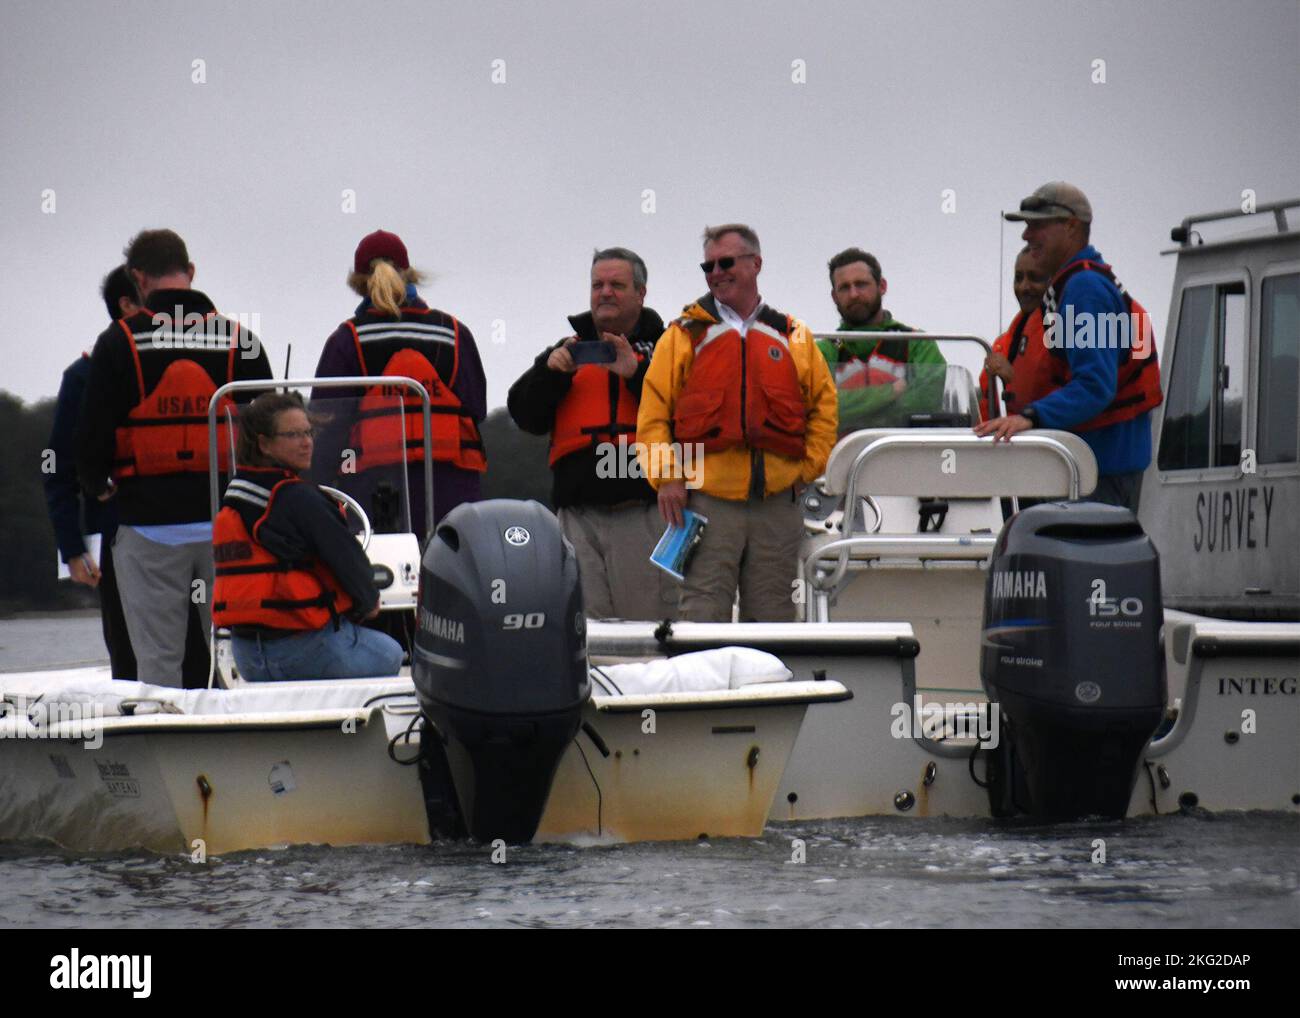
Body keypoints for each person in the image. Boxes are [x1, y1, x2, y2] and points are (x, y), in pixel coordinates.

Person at [76, 230, 273, 686]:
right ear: (191, 271)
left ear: (138, 278)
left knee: (157, 665)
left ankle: (169, 744)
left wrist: (101, 488)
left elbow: (89, 442)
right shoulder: (240, 340)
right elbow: (270, 432)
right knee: (236, 658)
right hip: (229, 527)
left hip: (148, 526)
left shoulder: (119, 342)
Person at [637, 223, 838, 622]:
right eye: (707, 266)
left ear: (756, 263)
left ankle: (768, 685)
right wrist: (668, 478)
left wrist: (805, 469)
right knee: (702, 613)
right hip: (707, 502)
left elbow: (824, 410)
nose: (716, 273)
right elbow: (654, 415)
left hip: (779, 503)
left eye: (725, 262)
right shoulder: (681, 335)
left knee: (773, 617)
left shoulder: (795, 336)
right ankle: (702, 687)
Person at [47, 266, 210, 683]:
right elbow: (60, 467)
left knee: (205, 653)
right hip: (122, 535)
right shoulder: (84, 376)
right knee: (130, 654)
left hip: (200, 535)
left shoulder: (199, 358)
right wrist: (71, 548)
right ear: (128, 305)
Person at [507, 248, 677, 620]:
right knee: (585, 632)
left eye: (617, 284)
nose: (605, 293)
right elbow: (525, 415)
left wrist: (636, 374)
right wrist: (549, 375)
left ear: (641, 293)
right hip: (577, 513)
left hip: (646, 510)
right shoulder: (567, 352)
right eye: (597, 284)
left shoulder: (670, 350)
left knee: (648, 630)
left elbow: (695, 419)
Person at [975, 182, 1162, 511]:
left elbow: (1095, 385)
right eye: (1026, 226)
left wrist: (1031, 417)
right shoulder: (1079, 284)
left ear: (1071, 226)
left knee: (1087, 560)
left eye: (1038, 225)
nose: (1026, 235)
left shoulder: (1085, 288)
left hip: (1095, 475)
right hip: (1088, 470)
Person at [213, 393, 403, 681]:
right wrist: (367, 602)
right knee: (392, 653)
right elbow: (347, 559)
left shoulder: (235, 496)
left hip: (248, 656)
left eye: (308, 432)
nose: (306, 442)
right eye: (292, 435)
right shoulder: (300, 498)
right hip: (304, 653)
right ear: (264, 444)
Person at [312, 230, 486, 539]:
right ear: (410, 273)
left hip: (372, 495)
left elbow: (326, 427)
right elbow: (476, 408)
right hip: (451, 492)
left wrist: (316, 489)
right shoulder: (454, 333)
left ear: (358, 282)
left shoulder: (347, 340)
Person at [815, 248, 947, 435]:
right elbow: (820, 408)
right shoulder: (822, 351)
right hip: (842, 459)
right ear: (834, 297)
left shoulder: (916, 342)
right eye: (844, 287)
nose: (853, 294)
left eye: (861, 284)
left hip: (907, 455)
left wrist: (852, 407)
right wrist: (891, 391)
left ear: (882, 286)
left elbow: (926, 402)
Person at [978, 246, 1051, 421]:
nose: (1024, 287)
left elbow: (1074, 398)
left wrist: (1012, 378)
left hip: (1047, 442)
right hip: (1010, 443)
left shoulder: (1063, 335)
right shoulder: (1004, 343)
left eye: (1035, 278)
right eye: (1018, 278)